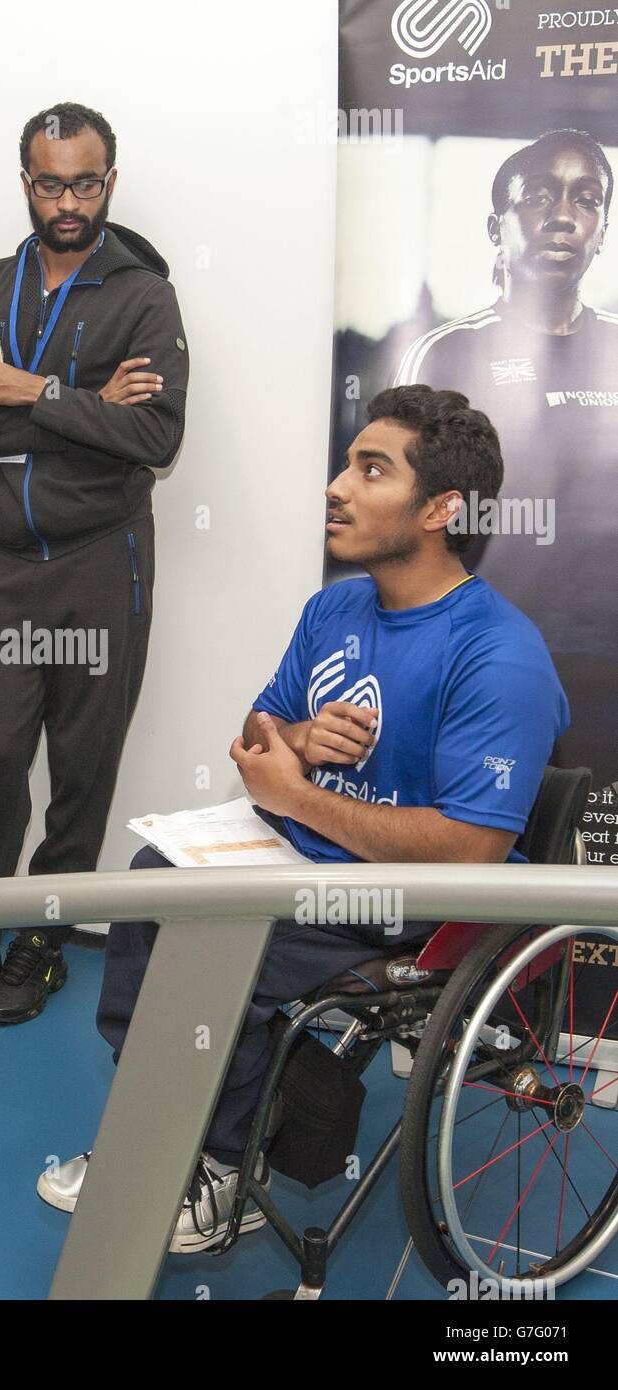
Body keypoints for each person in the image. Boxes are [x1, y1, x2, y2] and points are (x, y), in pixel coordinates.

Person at [38, 385, 569, 1253]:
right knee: (148, 884)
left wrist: (297, 795)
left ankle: (216, 1167)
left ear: (441, 508)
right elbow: (253, 735)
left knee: (217, 940)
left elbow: (471, 850)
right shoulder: (334, 609)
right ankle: (161, 1132)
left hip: (408, 903)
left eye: (370, 470)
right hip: (305, 857)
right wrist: (296, 738)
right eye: (344, 463)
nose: (336, 486)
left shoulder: (496, 652)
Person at [0, 102, 189, 1034]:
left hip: (100, 560)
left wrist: (34, 393)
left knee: (81, 764)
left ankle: (42, 935)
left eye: (85, 181)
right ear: (24, 181)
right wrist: (84, 408)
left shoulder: (143, 295)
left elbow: (153, 437)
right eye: (48, 181)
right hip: (9, 564)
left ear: (109, 180)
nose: (67, 200)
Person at [392, 128, 617, 792]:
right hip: (483, 660)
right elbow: (401, 515)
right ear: (497, 226)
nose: (561, 215)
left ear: (601, 228)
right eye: (539, 196)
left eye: (586, 198)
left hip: (605, 665)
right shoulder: (443, 357)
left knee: (590, 862)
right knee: (477, 858)